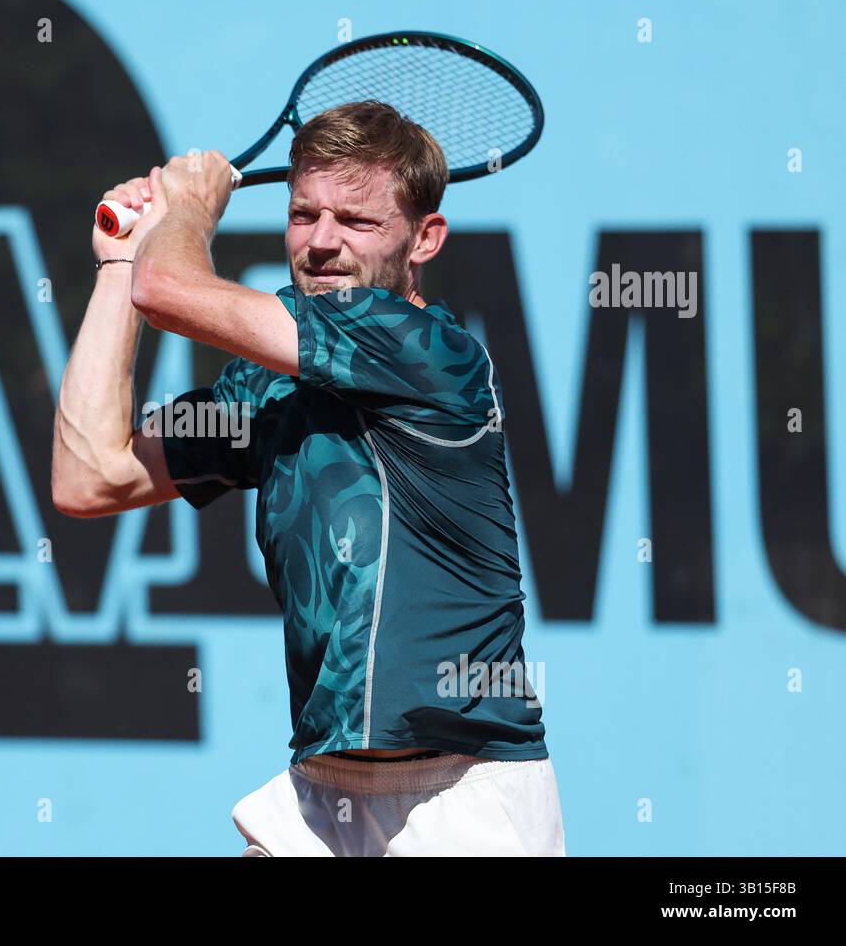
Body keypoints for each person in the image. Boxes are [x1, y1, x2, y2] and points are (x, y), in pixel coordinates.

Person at [51, 100, 565, 856]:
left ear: (425, 239)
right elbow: (90, 476)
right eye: (304, 214)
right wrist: (119, 263)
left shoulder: (428, 351)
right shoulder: (267, 390)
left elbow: (171, 292)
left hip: (466, 799)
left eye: (356, 221)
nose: (322, 242)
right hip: (323, 797)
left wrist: (185, 213)